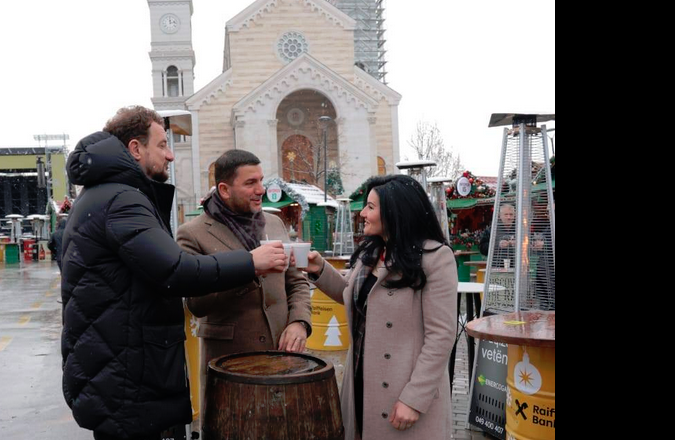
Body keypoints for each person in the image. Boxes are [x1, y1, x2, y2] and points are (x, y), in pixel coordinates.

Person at [60, 106, 287, 440]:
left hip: (118, 369)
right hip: (127, 377)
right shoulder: (121, 199)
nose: (169, 155)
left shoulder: (106, 194)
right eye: (162, 144)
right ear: (135, 149)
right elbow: (177, 270)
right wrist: (251, 262)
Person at [305, 174, 457, 440]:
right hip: (363, 380)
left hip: (403, 389)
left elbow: (441, 336)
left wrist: (414, 398)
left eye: (371, 207)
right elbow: (349, 295)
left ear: (395, 212)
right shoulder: (372, 254)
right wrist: (318, 268)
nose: (363, 213)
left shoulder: (435, 258)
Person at [177, 149, 312, 388]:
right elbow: (197, 304)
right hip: (228, 367)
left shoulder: (273, 222)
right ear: (224, 190)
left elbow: (297, 282)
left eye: (261, 180)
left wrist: (299, 322)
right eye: (250, 183)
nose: (261, 190)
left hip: (282, 358)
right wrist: (249, 268)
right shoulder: (192, 233)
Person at [478, 202, 516, 267]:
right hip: (496, 266)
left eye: (511, 214)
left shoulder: (519, 229)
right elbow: (482, 248)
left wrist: (518, 244)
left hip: (516, 267)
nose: (509, 217)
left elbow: (529, 246)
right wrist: (497, 245)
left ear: (514, 216)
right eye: (506, 214)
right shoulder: (492, 230)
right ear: (500, 216)